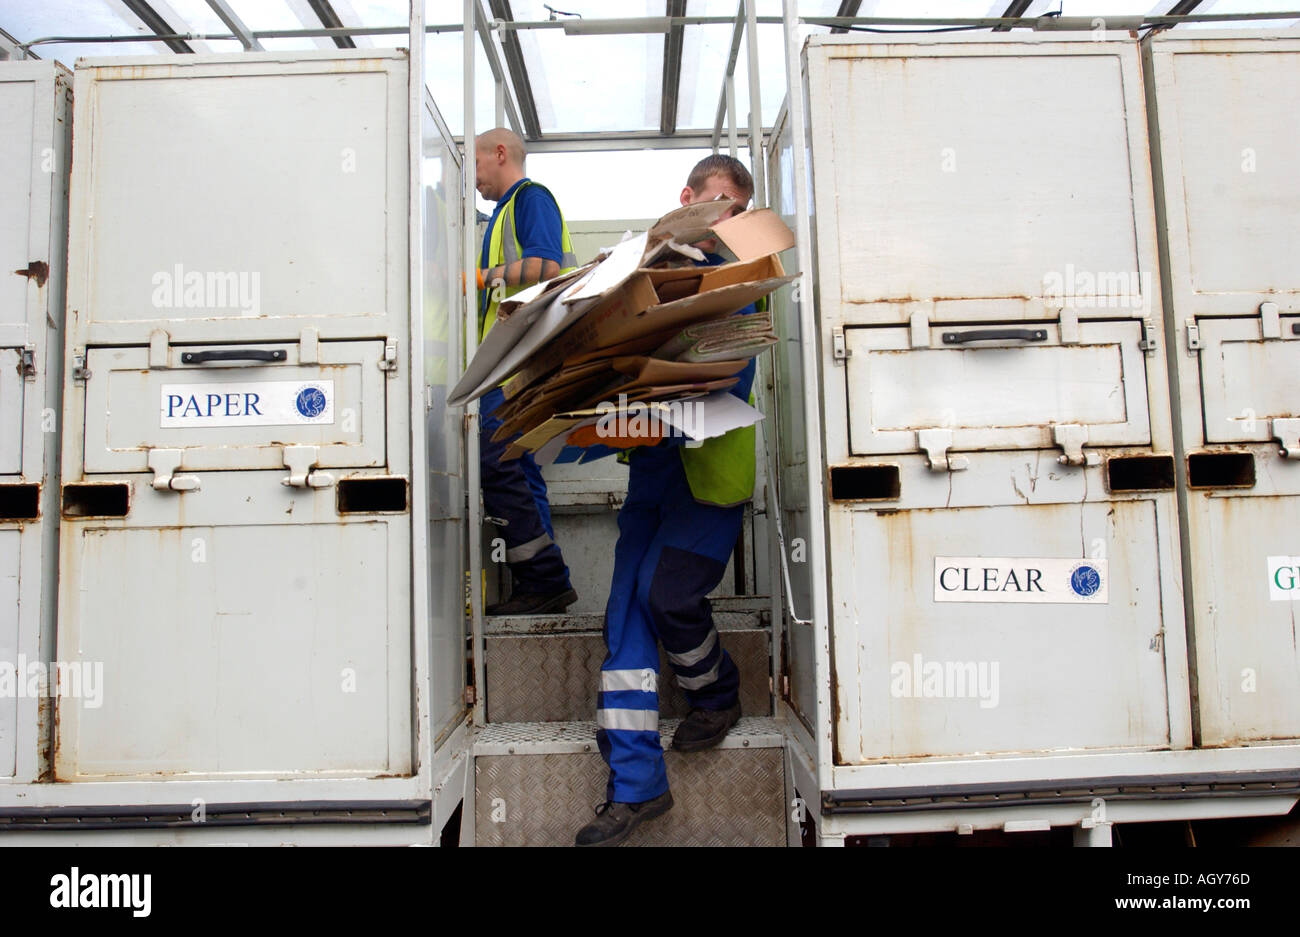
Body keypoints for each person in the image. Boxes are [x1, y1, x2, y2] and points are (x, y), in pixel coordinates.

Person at [575, 155, 758, 847]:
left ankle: (716, 695)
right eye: (718, 203)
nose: (727, 219)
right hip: (654, 470)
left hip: (709, 475)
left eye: (738, 211)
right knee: (624, 624)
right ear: (689, 198)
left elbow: (732, 363)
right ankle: (634, 787)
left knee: (666, 597)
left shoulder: (744, 278)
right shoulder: (642, 268)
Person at [473, 128, 580, 616]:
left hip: (522, 360)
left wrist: (483, 277)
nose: (472, 179)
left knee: (498, 461)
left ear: (500, 154)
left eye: (474, 164)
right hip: (512, 360)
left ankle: (544, 578)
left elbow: (547, 267)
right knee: (518, 467)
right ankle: (545, 585)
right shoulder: (499, 215)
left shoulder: (530, 197)